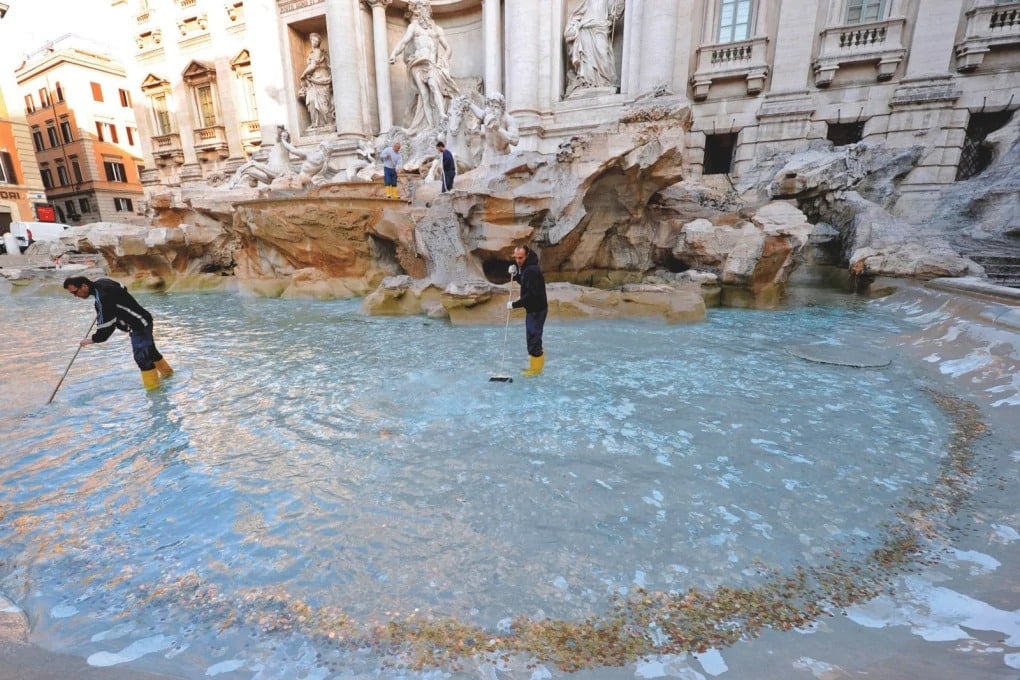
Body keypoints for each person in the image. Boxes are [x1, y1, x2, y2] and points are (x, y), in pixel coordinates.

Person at [63, 276, 173, 390]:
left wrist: (92, 339)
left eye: (75, 292)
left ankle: (154, 391)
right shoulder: (103, 281)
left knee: (142, 358)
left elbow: (106, 327)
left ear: (84, 286)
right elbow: (122, 287)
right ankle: (169, 375)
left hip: (138, 325)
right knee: (150, 352)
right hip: (144, 319)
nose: (75, 296)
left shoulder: (102, 299)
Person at [388, 0, 459, 132]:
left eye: (425, 7)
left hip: (431, 63)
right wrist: (393, 54)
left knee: (433, 85)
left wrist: (444, 58)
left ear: (429, 10)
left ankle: (442, 114)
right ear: (417, 11)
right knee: (424, 94)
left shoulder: (437, 29)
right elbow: (403, 42)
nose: (423, 10)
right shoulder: (413, 27)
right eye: (420, 8)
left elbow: (448, 48)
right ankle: (430, 125)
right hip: (417, 63)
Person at [564, 0, 625, 96]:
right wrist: (575, 27)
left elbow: (615, 14)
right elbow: (575, 18)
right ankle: (588, 83)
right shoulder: (587, 2)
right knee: (587, 58)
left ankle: (604, 82)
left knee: (603, 55)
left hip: (601, 29)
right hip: (586, 31)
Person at [507, 245, 548, 376]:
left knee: (533, 338)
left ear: (527, 256)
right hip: (534, 308)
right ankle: (536, 366)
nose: (518, 260)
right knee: (533, 336)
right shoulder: (526, 267)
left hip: (536, 309)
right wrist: (516, 274)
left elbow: (530, 295)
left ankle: (536, 370)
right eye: (516, 258)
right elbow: (526, 283)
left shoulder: (531, 270)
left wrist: (514, 304)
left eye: (521, 257)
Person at [299, 32, 335, 130]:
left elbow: (313, 65)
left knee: (323, 102)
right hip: (313, 79)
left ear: (319, 42)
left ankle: (328, 123)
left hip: (321, 77)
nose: (314, 42)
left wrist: (303, 74)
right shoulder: (312, 53)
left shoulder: (318, 52)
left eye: (316, 40)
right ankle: (316, 123)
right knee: (312, 101)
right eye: (313, 40)